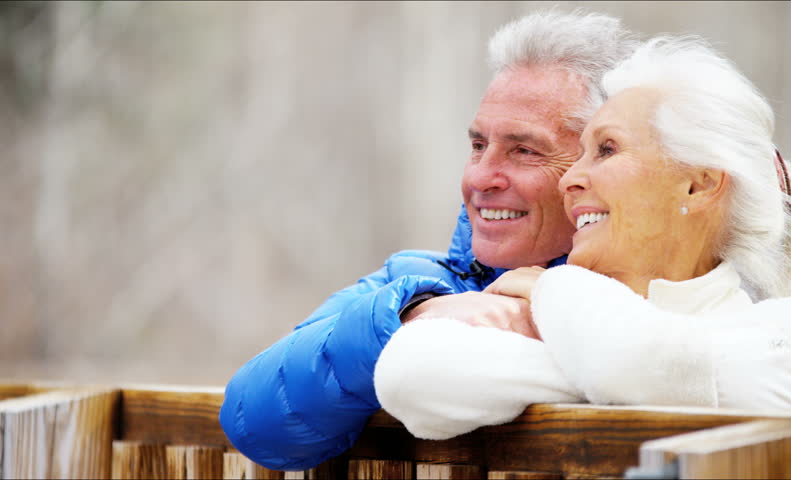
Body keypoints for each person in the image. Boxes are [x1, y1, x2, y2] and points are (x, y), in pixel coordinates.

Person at [374, 36, 791, 441]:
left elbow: (646, 363)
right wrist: (593, 355)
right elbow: (409, 372)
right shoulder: (578, 332)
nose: (569, 180)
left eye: (606, 149)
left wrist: (551, 295)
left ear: (699, 184)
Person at [218, 11, 637, 470]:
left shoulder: (669, 294)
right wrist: (411, 314)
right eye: (478, 146)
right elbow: (253, 419)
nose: (479, 176)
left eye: (524, 150)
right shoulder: (417, 283)